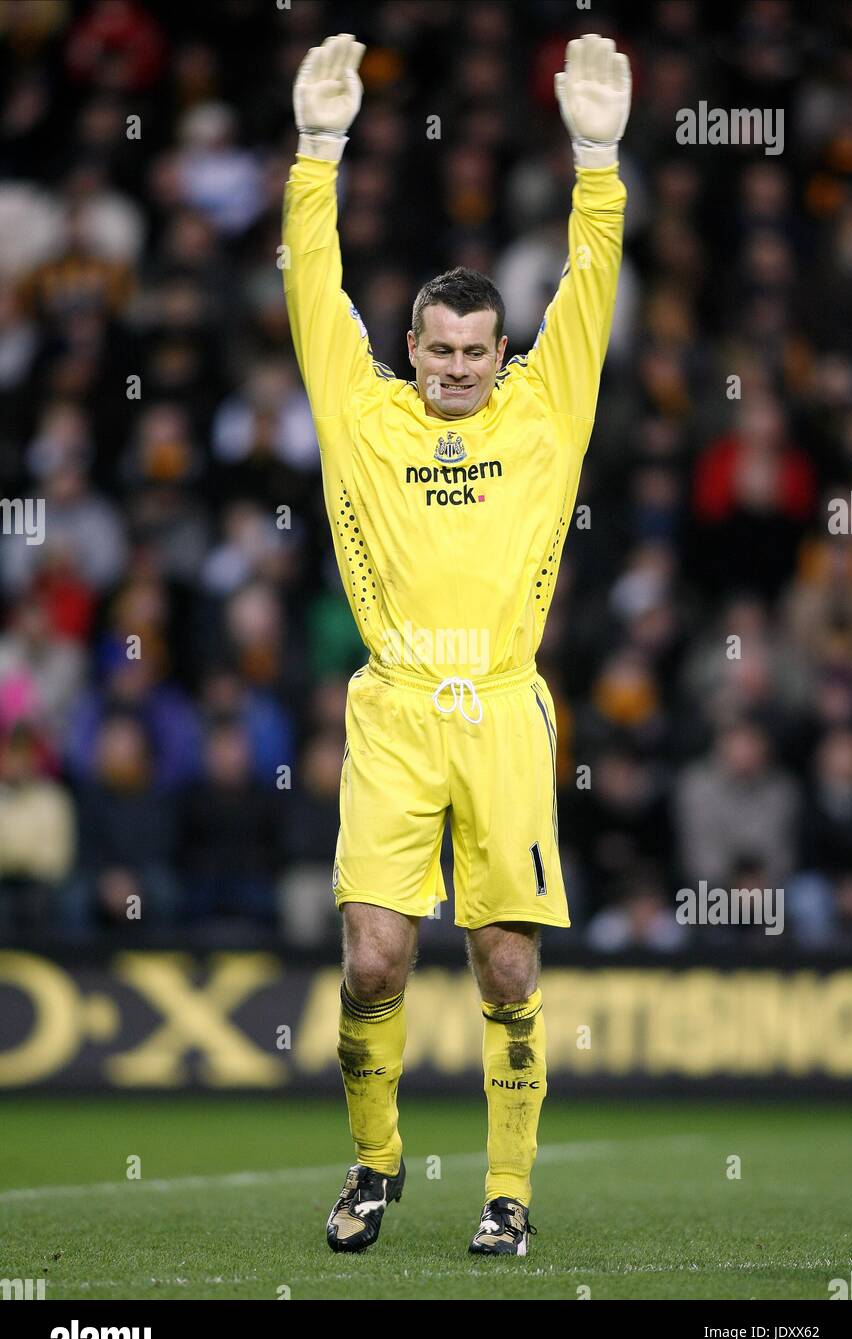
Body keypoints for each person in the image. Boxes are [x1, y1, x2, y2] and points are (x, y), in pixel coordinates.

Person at [284, 32, 630, 1256]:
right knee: (375, 960)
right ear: (413, 345)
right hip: (389, 709)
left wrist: (599, 159)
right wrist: (316, 153)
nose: (457, 372)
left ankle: (508, 1193)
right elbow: (311, 289)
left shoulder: (546, 408)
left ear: (501, 353)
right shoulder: (361, 413)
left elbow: (589, 285)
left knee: (505, 972)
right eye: (438, 351)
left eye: (478, 354)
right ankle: (375, 1166)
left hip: (500, 709)